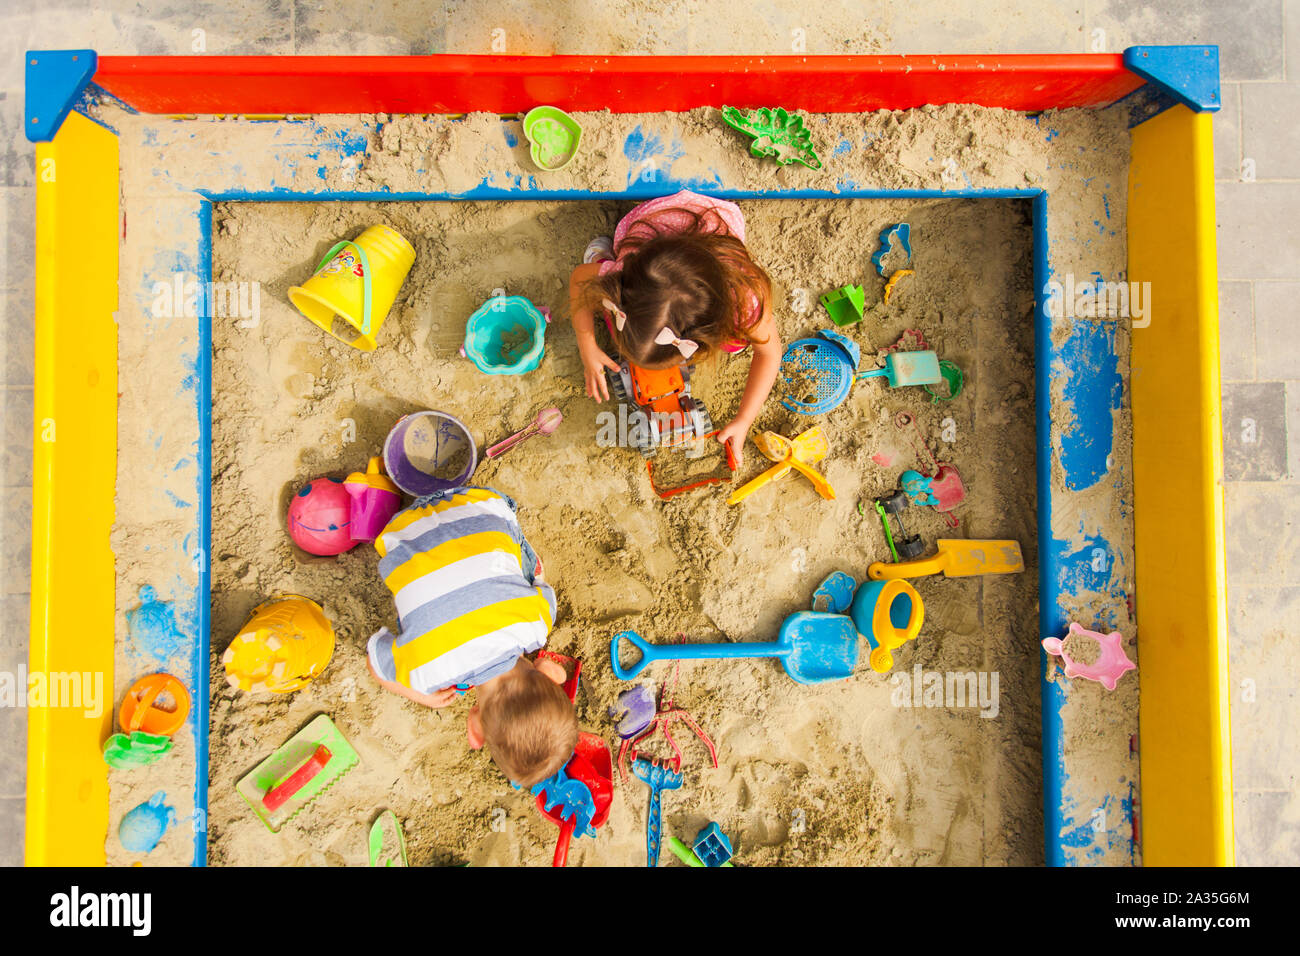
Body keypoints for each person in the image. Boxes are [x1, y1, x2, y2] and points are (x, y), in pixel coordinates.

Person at [366, 486, 577, 787]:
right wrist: (416, 692)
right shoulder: (426, 672)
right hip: (399, 529)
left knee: (529, 576)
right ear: (475, 727)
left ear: (550, 671)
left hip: (478, 500)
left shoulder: (536, 625)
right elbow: (375, 660)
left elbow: (545, 593)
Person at [569, 190, 781, 465]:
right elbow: (578, 280)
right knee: (601, 297)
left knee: (737, 340)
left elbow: (770, 354)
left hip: (710, 222)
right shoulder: (625, 276)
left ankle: (601, 259)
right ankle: (601, 258)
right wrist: (588, 346)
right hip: (651, 225)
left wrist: (744, 419)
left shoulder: (746, 298)